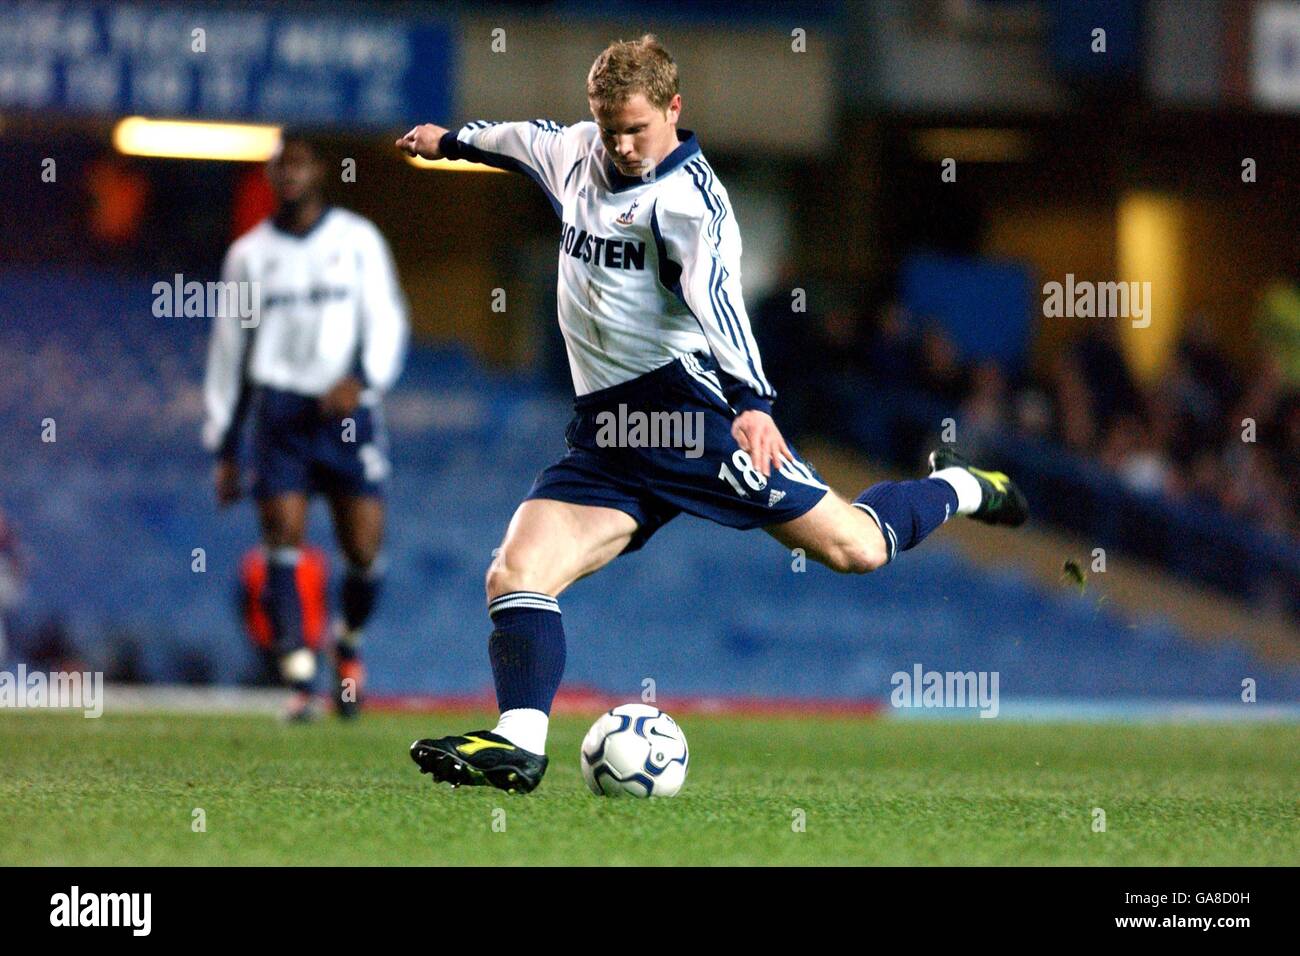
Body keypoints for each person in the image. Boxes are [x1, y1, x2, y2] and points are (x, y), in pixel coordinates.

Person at [397, 35, 1027, 792]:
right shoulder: (573, 152)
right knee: (516, 572)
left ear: (674, 109)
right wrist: (447, 142)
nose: (623, 146)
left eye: (637, 128)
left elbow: (721, 309)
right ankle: (519, 745)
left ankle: (959, 486)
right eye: (609, 129)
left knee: (855, 549)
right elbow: (514, 141)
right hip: (606, 433)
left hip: (689, 421)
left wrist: (754, 405)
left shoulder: (691, 205)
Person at [204, 130, 408, 719]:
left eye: (299, 164)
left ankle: (348, 644)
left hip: (347, 410)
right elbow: (229, 351)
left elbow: (387, 317)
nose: (289, 175)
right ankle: (297, 678)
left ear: (321, 169)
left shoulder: (357, 240)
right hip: (282, 413)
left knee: (364, 548)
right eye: (280, 165)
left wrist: (364, 378)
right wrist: (224, 445)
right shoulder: (248, 254)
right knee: (281, 534)